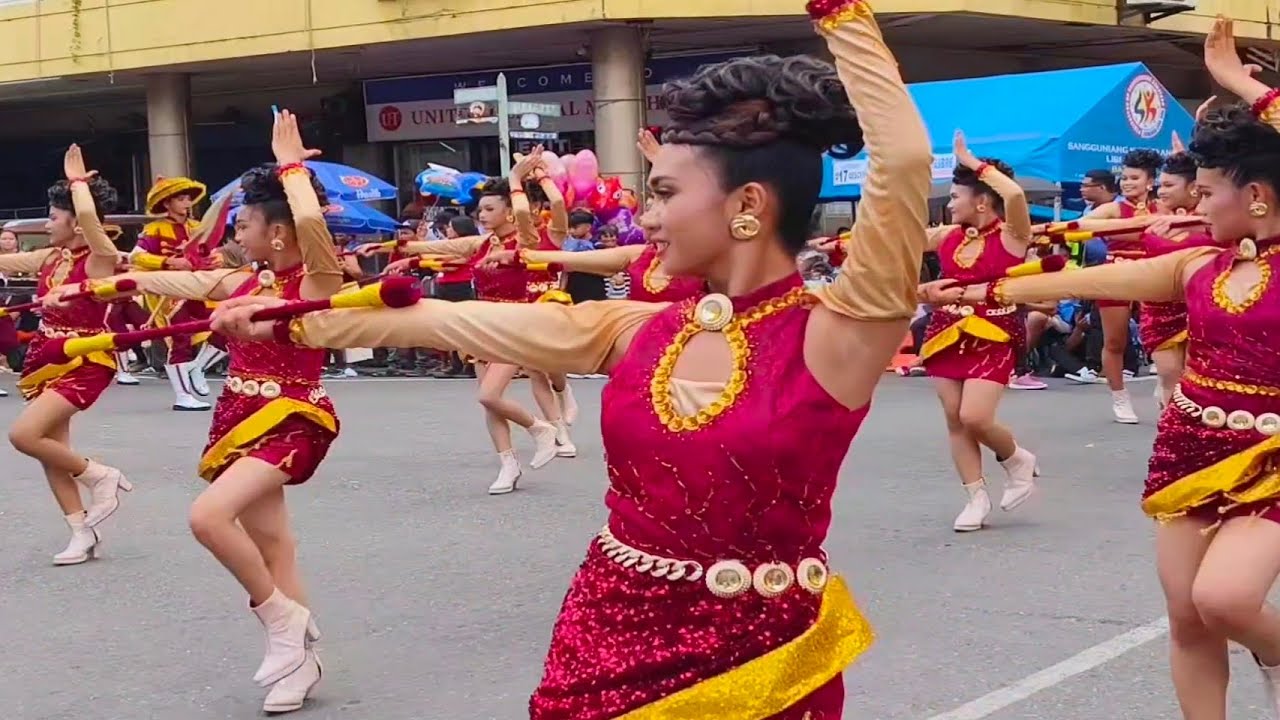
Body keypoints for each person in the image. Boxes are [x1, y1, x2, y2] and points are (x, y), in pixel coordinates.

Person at [213, 0, 930, 714]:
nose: (647, 216)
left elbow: (900, 161)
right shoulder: (640, 329)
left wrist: (841, 15)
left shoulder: (836, 337)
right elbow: (443, 319)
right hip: (604, 632)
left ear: (747, 204)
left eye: (665, 193)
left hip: (760, 657)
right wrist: (283, 324)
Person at [937, 17, 1280, 716]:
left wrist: (1244, 85)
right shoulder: (1198, 263)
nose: (1195, 203)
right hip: (1192, 446)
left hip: (1273, 455)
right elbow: (1088, 280)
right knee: (1187, 618)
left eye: (1207, 190)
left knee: (1225, 598)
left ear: (1257, 196)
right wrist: (984, 292)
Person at [51, 111, 340, 713]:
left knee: (208, 518)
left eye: (245, 222)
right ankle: (301, 662)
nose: (236, 229)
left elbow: (312, 229)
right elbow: (145, 273)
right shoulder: (241, 282)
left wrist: (291, 170)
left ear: (277, 232)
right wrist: (88, 283)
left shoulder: (315, 284)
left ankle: (281, 619)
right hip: (236, 418)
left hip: (290, 419)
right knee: (273, 546)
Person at [366, 155, 566, 494]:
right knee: (489, 401)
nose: (481, 215)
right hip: (482, 326)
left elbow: (527, 214)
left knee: (489, 395)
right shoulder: (482, 244)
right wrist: (392, 251)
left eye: (489, 209)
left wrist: (516, 179)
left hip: (514, 325)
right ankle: (507, 463)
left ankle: (540, 428)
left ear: (508, 212)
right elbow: (438, 246)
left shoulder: (527, 241)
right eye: (480, 210)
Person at [0, 146, 131, 565]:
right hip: (47, 358)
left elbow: (92, 222)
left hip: (84, 361)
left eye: (53, 217)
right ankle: (81, 531)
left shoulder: (100, 259)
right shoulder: (52, 256)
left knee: (24, 435)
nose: (46, 223)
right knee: (48, 449)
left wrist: (78, 185)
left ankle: (101, 475)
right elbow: (7, 259)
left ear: (76, 223)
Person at [916, 132, 1039, 532]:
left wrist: (972, 162)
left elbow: (1014, 196)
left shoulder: (1013, 235)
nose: (950, 203)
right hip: (945, 332)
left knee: (974, 416)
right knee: (955, 419)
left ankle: (1017, 459)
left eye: (955, 196)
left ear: (982, 201)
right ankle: (975, 496)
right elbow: (897, 240)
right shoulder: (947, 236)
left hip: (994, 333)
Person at [1081, 148, 1163, 423]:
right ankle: (1119, 397)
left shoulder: (1163, 208)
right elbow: (1080, 225)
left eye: (1134, 178)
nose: (1127, 183)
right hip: (1117, 273)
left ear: (1150, 182)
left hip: (1155, 272)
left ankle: (1165, 382)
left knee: (1164, 335)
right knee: (1115, 340)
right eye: (1124, 178)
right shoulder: (1113, 208)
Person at [130, 174, 223, 411]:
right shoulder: (154, 228)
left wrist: (213, 260)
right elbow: (136, 257)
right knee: (180, 340)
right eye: (180, 199)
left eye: (188, 199)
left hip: (199, 288)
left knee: (224, 325)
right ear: (167, 203)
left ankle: (198, 367)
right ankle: (183, 396)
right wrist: (169, 262)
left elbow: (210, 254)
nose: (186, 203)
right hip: (170, 293)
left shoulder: (198, 227)